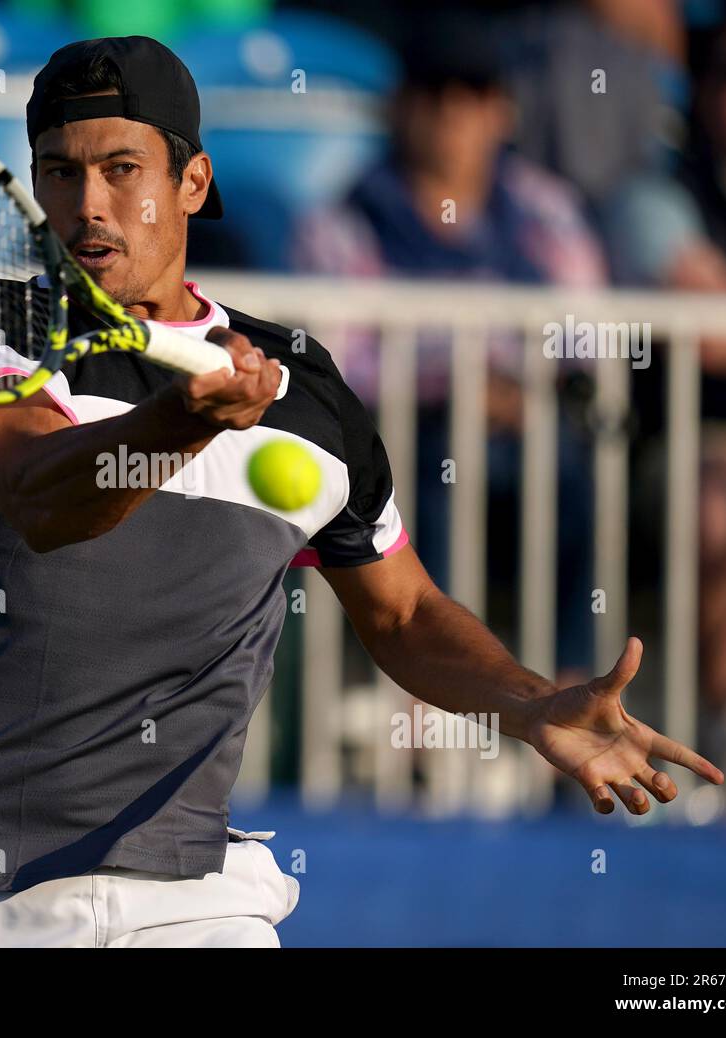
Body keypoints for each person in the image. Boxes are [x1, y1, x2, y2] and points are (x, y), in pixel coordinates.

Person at [0, 35, 723, 949]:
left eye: (124, 170)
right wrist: (187, 422)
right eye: (61, 173)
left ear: (193, 182)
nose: (91, 205)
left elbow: (402, 614)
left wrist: (527, 703)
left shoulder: (305, 387)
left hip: (201, 901)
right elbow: (45, 502)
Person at [294, 29, 607, 689]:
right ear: (400, 106)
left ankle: (574, 689)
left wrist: (523, 390)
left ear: (502, 110)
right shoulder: (344, 221)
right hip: (405, 440)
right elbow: (339, 368)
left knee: (579, 475)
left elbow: (588, 341)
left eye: (473, 93)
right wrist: (453, 386)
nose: (451, 113)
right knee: (435, 468)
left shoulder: (544, 212)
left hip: (529, 432)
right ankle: (431, 701)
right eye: (433, 93)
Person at [604, 0, 726, 739]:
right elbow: (713, 330)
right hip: (706, 445)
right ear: (705, 90)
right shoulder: (653, 196)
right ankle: (715, 753)